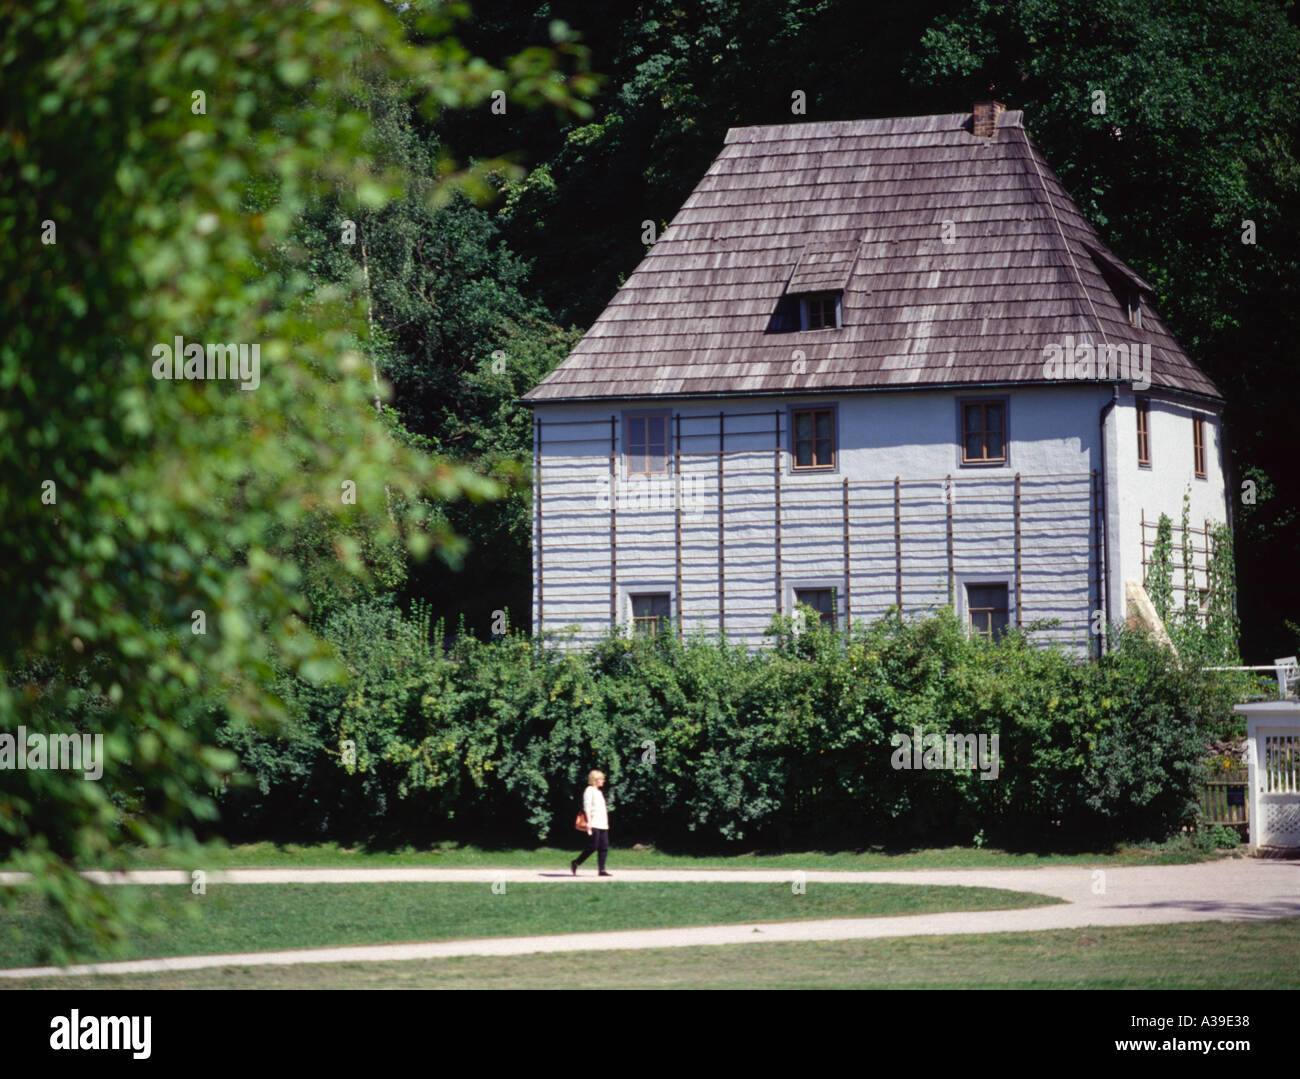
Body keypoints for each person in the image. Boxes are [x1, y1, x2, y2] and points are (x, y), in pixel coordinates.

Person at [571, 769, 612, 877]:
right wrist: (588, 822)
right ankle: (576, 862)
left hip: (602, 822)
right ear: (595, 780)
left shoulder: (599, 792)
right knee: (593, 846)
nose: (603, 781)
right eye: (601, 779)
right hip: (593, 823)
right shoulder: (589, 790)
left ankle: (602, 870)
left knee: (604, 846)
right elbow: (587, 807)